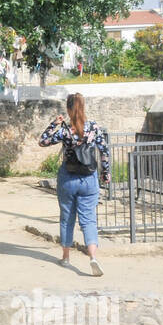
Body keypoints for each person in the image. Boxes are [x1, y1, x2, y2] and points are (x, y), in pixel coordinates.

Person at [39, 93, 111, 275]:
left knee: (67, 218)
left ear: (69, 108)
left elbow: (43, 141)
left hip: (68, 179)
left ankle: (65, 257)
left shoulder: (65, 130)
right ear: (83, 107)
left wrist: (54, 123)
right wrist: (106, 173)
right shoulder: (93, 127)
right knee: (88, 220)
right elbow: (104, 150)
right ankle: (93, 257)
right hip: (89, 179)